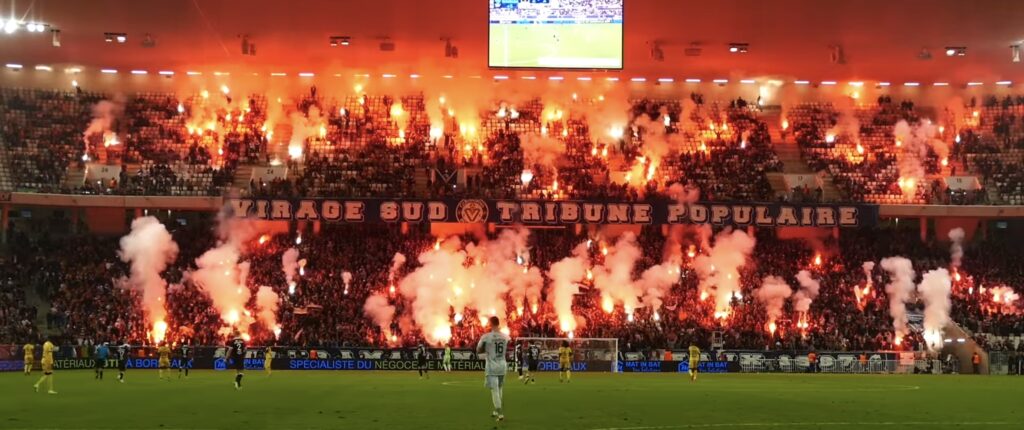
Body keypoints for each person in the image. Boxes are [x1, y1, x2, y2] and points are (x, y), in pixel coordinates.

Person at [476, 316, 509, 422]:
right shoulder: (505, 336)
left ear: (490, 324)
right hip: (502, 365)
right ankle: (496, 410)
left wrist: (484, 350)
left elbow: (478, 350)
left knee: (494, 390)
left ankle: (500, 414)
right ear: (498, 323)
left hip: (492, 366)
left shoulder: (486, 337)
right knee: (500, 389)